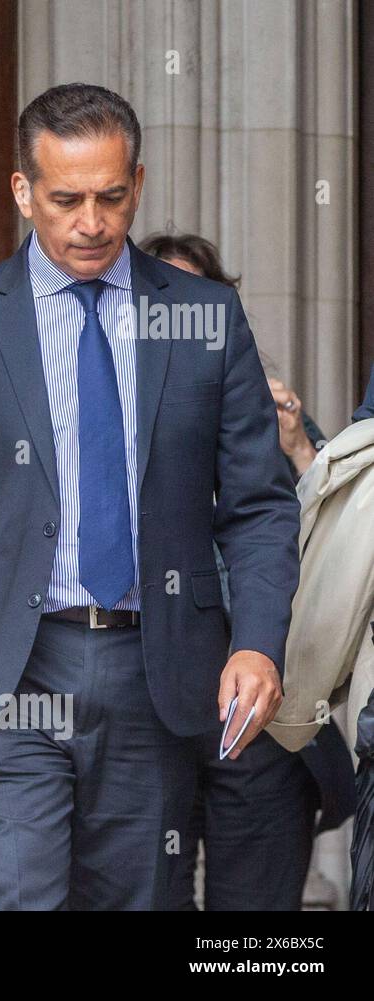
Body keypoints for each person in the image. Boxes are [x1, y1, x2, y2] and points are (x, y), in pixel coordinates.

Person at [0, 83, 299, 909]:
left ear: (138, 186)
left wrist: (257, 642)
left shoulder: (206, 318)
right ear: (21, 191)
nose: (91, 222)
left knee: (138, 896)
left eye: (111, 197)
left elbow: (257, 503)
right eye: (65, 198)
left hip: (155, 669)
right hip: (9, 663)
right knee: (16, 885)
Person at [138, 231, 355, 910]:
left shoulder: (266, 408)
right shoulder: (103, 404)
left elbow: (337, 536)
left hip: (259, 714)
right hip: (145, 713)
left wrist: (298, 445)